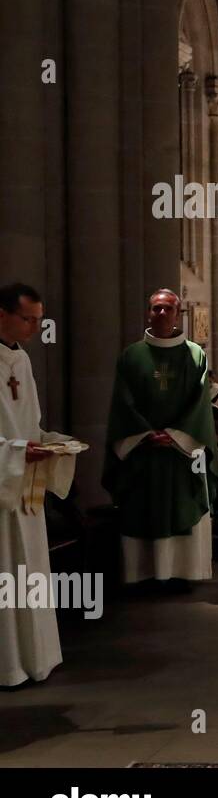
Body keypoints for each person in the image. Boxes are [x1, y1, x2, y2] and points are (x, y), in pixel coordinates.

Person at [104, 289, 218, 587]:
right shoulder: (132, 356)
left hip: (181, 454)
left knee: (181, 507)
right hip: (143, 451)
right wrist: (145, 434)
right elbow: (123, 402)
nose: (161, 314)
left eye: (167, 309)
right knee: (142, 508)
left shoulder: (195, 354)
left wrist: (175, 435)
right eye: (155, 308)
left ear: (177, 313)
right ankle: (142, 573)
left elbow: (199, 404)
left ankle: (184, 573)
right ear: (147, 312)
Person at [0, 283, 72, 686]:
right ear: (1, 314)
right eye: (27, 319)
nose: (34, 328)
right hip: (3, 484)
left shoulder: (21, 361)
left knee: (29, 572)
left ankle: (33, 659)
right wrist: (12, 451)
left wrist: (46, 443)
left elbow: (28, 422)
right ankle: (8, 665)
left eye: (38, 320)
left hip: (22, 483)